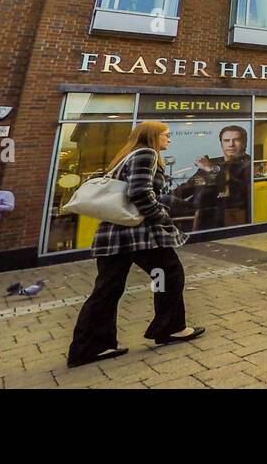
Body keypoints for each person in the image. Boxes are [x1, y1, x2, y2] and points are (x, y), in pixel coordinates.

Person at [68, 121, 205, 369]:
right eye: (166, 135)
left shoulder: (128, 154)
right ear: (153, 136)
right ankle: (170, 327)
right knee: (167, 274)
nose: (169, 139)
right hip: (138, 234)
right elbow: (140, 192)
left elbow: (139, 190)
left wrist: (171, 201)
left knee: (108, 288)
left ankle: (89, 346)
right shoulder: (146, 153)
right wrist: (161, 215)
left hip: (114, 235)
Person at [173, 125, 252, 230]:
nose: (231, 144)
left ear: (244, 143)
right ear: (221, 143)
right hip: (197, 212)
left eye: (236, 140)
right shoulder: (213, 162)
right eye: (226, 140)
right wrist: (169, 196)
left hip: (226, 215)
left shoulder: (248, 163)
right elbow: (189, 186)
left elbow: (234, 188)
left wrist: (210, 169)